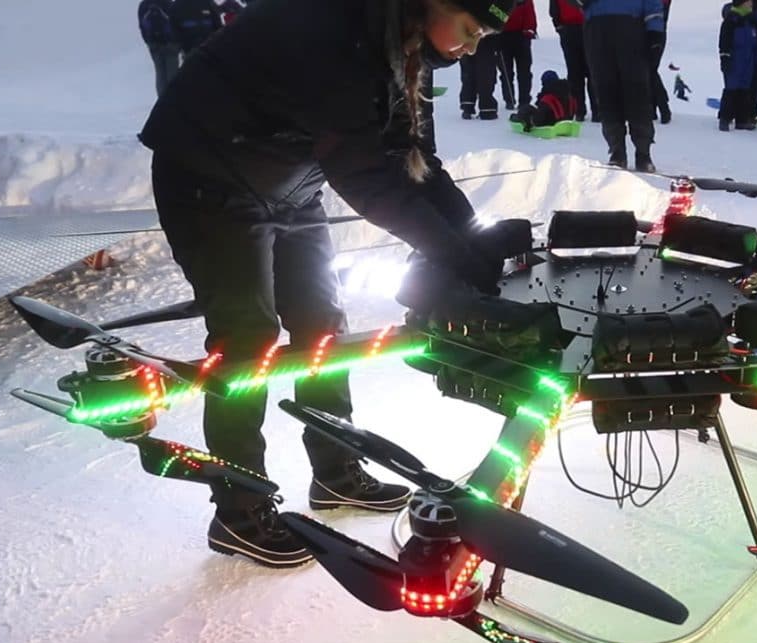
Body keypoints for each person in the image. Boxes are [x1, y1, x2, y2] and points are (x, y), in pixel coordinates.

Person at [138, 0, 517, 568]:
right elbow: (366, 176)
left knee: (322, 324)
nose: (472, 47)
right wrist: (454, 254)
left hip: (288, 178)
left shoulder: (397, 42)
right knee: (248, 339)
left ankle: (337, 471)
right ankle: (239, 511)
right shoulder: (336, 29)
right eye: (469, 29)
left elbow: (407, 155)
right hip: (209, 177)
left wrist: (470, 237)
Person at [580, 0, 667, 172]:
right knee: (606, 92)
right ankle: (617, 151)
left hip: (633, 29)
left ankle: (643, 153)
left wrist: (655, 32)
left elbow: (653, 4)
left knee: (638, 93)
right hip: (597, 29)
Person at [550, 0, 596, 121]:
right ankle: (579, 110)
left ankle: (597, 110)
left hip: (590, 26)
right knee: (575, 72)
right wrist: (559, 26)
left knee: (593, 70)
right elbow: (554, 9)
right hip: (569, 29)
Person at [718, 0, 757, 132]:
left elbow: (755, 42)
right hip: (734, 59)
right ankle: (725, 118)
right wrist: (725, 57)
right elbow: (724, 41)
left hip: (748, 60)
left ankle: (741, 120)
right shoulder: (731, 20)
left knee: (744, 89)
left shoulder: (750, 20)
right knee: (731, 88)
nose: (751, 3)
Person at [497, 0, 537, 111]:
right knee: (506, 71)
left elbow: (530, 14)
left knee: (522, 72)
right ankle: (511, 99)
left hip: (519, 35)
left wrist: (529, 30)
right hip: (505, 36)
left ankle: (522, 100)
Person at [511, 69, 580, 130]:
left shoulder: (547, 98)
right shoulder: (569, 94)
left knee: (526, 109)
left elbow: (537, 120)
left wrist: (529, 121)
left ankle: (518, 118)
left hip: (550, 124)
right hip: (567, 121)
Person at [460, 27, 504, 119]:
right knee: (485, 74)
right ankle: (487, 109)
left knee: (469, 73)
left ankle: (468, 105)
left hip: (466, 36)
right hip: (486, 38)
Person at [168, 0, 237, 59]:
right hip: (191, 51)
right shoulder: (176, 6)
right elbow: (174, 30)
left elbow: (217, 24)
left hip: (211, 49)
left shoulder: (207, 2)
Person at [138, 0, 180, 96]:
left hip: (154, 45)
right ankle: (174, 100)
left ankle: (162, 101)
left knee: (160, 74)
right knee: (173, 74)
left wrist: (149, 42)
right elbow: (176, 22)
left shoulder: (144, 5)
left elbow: (141, 26)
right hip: (170, 44)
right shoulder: (168, 3)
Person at [650, 0, 674, 124]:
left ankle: (663, 107)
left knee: (650, 71)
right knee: (650, 71)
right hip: (654, 31)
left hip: (654, 33)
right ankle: (654, 109)